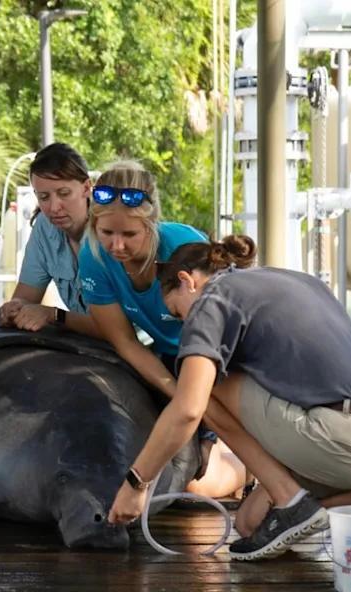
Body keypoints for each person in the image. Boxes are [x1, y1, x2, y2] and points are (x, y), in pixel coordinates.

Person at [107, 237, 351, 561]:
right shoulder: (291, 279)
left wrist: (136, 484)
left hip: (343, 440)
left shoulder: (212, 298)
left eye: (178, 314)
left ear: (186, 280)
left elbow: (189, 409)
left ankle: (290, 498)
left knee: (201, 386)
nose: (184, 326)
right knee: (250, 523)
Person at [78, 161, 246, 498]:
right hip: (168, 356)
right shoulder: (93, 257)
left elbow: (227, 326)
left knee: (199, 465)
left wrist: (193, 399)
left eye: (129, 235)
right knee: (179, 470)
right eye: (106, 232)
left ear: (152, 225)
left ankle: (250, 469)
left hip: (222, 354)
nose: (116, 246)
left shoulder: (182, 246)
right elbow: (125, 342)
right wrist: (176, 392)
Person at [0, 142, 98, 337]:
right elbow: (25, 297)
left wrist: (54, 315)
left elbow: (115, 330)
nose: (54, 207)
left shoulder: (111, 232)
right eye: (44, 197)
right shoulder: (45, 227)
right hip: (90, 348)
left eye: (64, 193)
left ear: (86, 188)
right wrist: (15, 309)